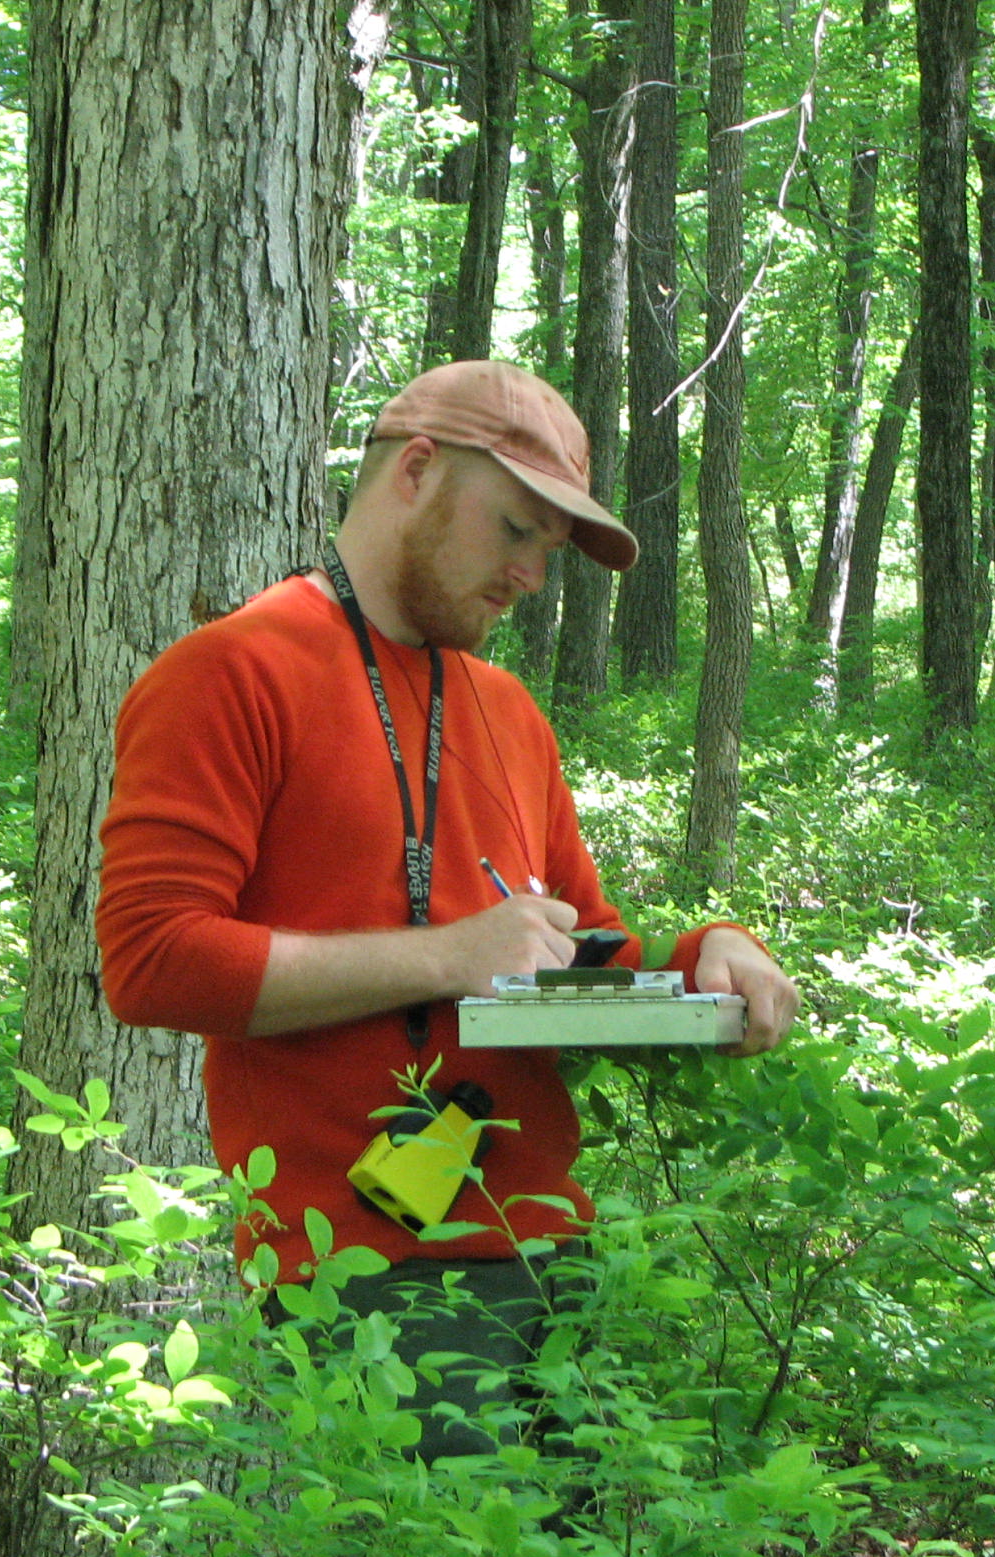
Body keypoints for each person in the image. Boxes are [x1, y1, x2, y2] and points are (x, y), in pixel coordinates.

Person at [96, 359, 797, 1455]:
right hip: (364, 1275)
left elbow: (574, 942)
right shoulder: (231, 673)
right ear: (417, 471)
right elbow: (151, 963)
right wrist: (445, 956)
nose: (528, 576)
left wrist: (709, 952)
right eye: (515, 529)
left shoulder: (506, 709)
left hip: (553, 1253)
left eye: (548, 553)